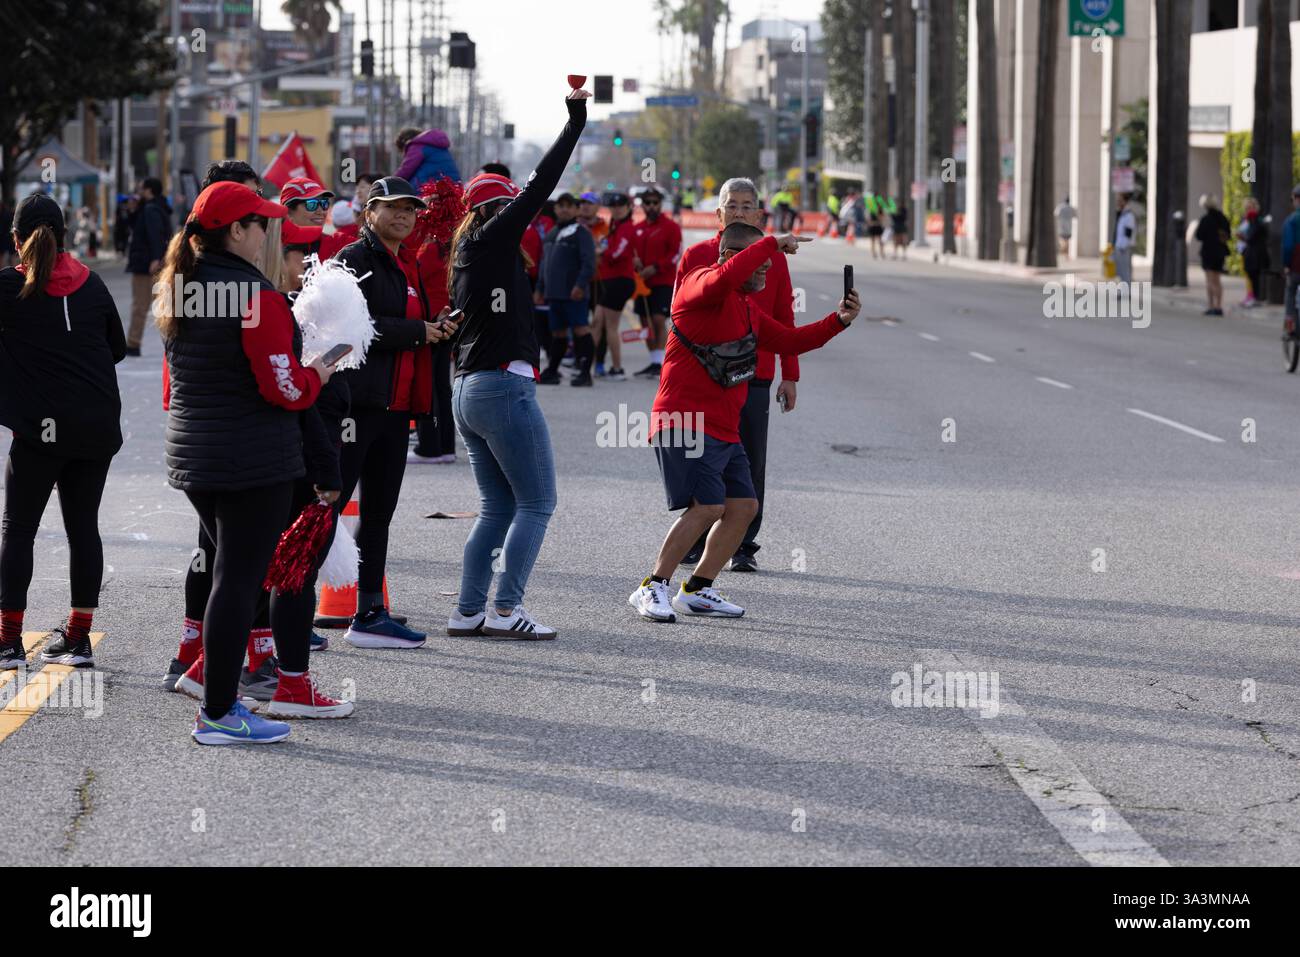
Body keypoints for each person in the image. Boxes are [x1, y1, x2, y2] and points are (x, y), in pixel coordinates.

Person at [156, 181, 338, 744]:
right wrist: (320, 372)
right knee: (238, 584)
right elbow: (284, 387)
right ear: (236, 231)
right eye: (261, 224)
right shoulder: (253, 295)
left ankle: (212, 692)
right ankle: (217, 713)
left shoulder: (179, 286)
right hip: (250, 459)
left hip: (195, 454)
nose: (269, 233)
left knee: (227, 579)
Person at [628, 223, 860, 623]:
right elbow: (729, 274)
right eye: (763, 266)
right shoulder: (698, 285)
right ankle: (652, 586)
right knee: (708, 507)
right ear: (735, 257)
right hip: (685, 419)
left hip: (722, 426)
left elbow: (789, 340)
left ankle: (698, 589)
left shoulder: (746, 307)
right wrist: (771, 242)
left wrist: (838, 320)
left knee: (743, 507)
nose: (767, 274)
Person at [445, 85, 588, 641]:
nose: (519, 214)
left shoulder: (466, 252)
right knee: (538, 502)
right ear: (497, 209)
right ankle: (505, 610)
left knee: (496, 509)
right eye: (510, 207)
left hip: (469, 390)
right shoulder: (495, 235)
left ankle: (468, 611)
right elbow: (542, 183)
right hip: (502, 387)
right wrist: (573, 125)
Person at [0, 194, 126, 670]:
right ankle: (77, 639)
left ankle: (8, 642)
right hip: (95, 427)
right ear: (66, 236)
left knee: (18, 530)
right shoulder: (93, 285)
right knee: (83, 529)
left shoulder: (8, 289)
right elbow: (115, 347)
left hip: (39, 431)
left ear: (16, 240)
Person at [333, 176, 455, 648]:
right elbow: (353, 329)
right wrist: (417, 332)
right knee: (327, 508)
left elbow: (403, 328)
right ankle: (286, 610)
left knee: (380, 513)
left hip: (396, 408)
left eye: (410, 209)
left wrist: (435, 329)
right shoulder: (354, 260)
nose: (403, 216)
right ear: (369, 212)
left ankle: (368, 612)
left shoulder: (405, 261)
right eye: (392, 208)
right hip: (356, 406)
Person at [674, 177, 800, 573]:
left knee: (750, 460)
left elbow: (784, 318)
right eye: (732, 206)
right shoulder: (697, 255)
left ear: (760, 214)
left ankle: (743, 544)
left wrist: (789, 375)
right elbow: (677, 317)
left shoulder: (774, 259)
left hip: (755, 375)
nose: (740, 212)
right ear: (718, 213)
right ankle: (695, 537)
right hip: (706, 377)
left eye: (748, 206)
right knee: (703, 459)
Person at [536, 193, 596, 386]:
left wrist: (579, 285)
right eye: (561, 206)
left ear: (576, 210)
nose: (564, 209)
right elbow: (544, 264)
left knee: (581, 330)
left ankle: (585, 372)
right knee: (558, 334)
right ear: (555, 209)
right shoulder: (552, 233)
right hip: (554, 294)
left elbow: (589, 263)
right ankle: (552, 371)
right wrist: (539, 288)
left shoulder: (581, 233)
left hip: (574, 294)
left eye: (569, 206)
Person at [631, 186, 682, 378]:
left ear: (660, 204)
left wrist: (655, 267)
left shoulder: (671, 227)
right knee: (645, 322)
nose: (651, 206)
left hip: (663, 280)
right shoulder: (637, 228)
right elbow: (629, 254)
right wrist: (634, 263)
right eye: (647, 203)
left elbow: (675, 253)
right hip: (641, 283)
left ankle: (661, 361)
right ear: (642, 205)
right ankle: (653, 360)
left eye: (655, 202)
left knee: (658, 319)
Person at [592, 191, 637, 381]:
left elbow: (617, 252)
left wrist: (602, 252)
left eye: (621, 206)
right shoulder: (615, 226)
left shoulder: (626, 227)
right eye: (613, 207)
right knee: (597, 323)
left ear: (628, 208)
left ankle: (617, 368)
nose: (617, 209)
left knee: (610, 326)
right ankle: (591, 363)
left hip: (620, 281)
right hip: (611, 281)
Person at [124, 177, 172, 357]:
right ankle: (172, 342)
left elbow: (154, 234)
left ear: (149, 190)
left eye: (141, 188)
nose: (139, 191)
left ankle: (133, 344)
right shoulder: (156, 207)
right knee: (162, 305)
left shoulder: (151, 210)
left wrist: (155, 258)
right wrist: (132, 212)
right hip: (152, 262)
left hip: (146, 265)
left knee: (140, 305)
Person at [279, 177, 333, 285]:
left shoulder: (334, 243)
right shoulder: (269, 247)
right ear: (288, 212)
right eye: (311, 204)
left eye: (324, 203)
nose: (321, 211)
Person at [1195, 193, 1231, 316]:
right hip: (1220, 251)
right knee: (1218, 279)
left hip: (1208, 251)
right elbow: (1228, 235)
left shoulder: (1205, 219)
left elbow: (1199, 235)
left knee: (1210, 280)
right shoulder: (1223, 218)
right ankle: (1219, 305)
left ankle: (1211, 305)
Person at [395, 127, 461, 191]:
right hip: (454, 188)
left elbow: (405, 171)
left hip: (431, 191)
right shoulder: (437, 145)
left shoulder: (416, 145)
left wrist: (390, 183)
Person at [1240, 196, 1268, 307]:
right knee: (1248, 275)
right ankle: (1249, 295)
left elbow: (1252, 236)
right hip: (1245, 250)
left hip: (1254, 252)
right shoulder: (1247, 219)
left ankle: (1254, 296)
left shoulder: (1257, 220)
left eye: (1250, 207)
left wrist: (1244, 237)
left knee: (1253, 275)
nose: (1248, 210)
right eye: (1246, 208)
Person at [1282, 186, 1300, 331]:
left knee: (1290, 290)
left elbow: (1287, 246)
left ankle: (1290, 322)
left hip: (1296, 264)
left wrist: (1286, 264)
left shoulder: (1292, 220)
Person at [1113, 193, 1137, 287]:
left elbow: (1128, 234)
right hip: (1120, 247)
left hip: (1124, 248)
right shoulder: (1122, 215)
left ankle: (1126, 292)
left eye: (1120, 200)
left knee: (1126, 271)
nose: (1118, 202)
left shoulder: (1129, 216)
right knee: (1121, 271)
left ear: (1125, 201)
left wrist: (1123, 246)